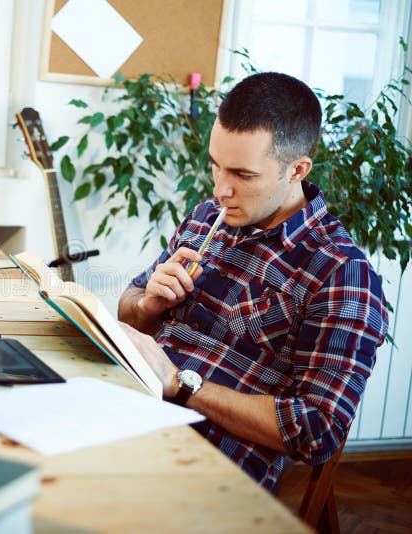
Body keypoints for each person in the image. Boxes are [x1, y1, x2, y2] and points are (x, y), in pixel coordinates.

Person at [118, 72, 389, 491]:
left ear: (297, 169)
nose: (221, 190)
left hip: (203, 461)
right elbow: (132, 310)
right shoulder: (206, 217)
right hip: (130, 408)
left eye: (243, 175)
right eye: (215, 166)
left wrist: (179, 383)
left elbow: (316, 431)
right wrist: (147, 304)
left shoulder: (341, 273)